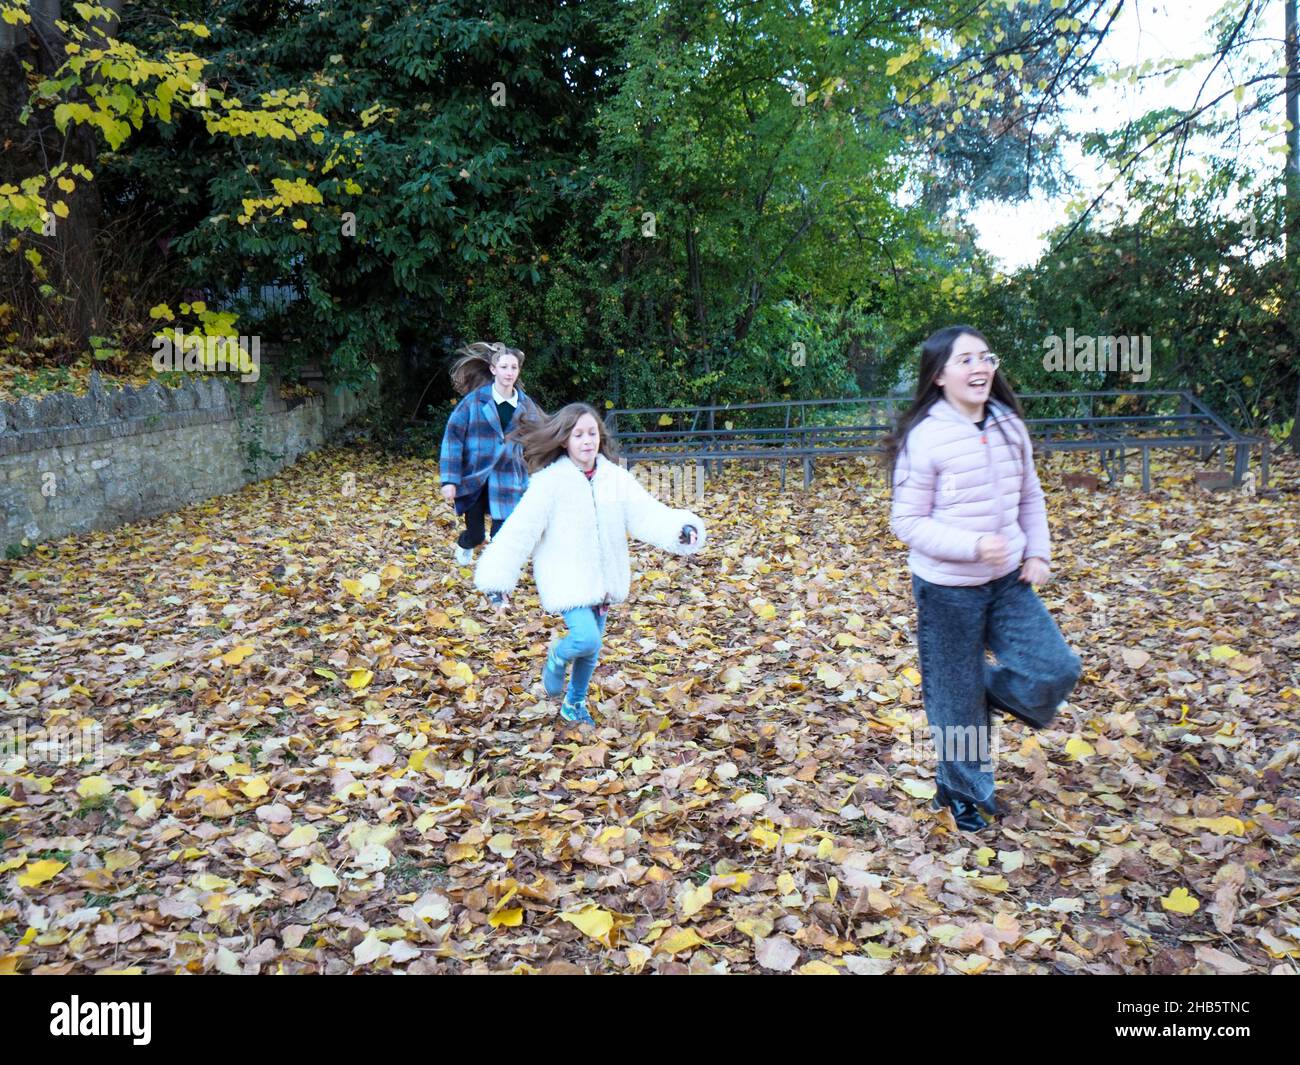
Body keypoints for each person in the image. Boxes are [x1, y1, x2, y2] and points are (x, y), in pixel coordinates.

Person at [884, 325, 1082, 832]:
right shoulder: (925, 437)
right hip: (947, 589)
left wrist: (1037, 551)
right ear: (940, 376)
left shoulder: (1009, 425)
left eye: (986, 357)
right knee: (955, 707)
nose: (980, 367)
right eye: (965, 359)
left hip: (1009, 581)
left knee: (1055, 669)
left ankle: (985, 690)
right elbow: (905, 522)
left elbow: (1030, 496)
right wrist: (971, 545)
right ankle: (962, 795)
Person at [474, 404, 707, 728]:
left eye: (592, 433)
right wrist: (496, 581)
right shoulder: (550, 483)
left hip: (605, 577)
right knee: (586, 639)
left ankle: (574, 704)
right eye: (578, 434)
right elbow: (519, 531)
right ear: (564, 440)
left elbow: (645, 513)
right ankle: (556, 656)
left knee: (590, 650)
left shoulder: (614, 477)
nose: (586, 441)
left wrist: (678, 529)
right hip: (567, 576)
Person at [438, 341, 540, 566]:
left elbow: (542, 436)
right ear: (493, 369)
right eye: (504, 367)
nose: (509, 372)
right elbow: (453, 439)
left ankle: (495, 575)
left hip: (508, 479)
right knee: (477, 535)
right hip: (475, 478)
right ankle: (465, 543)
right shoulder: (474, 401)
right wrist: (449, 480)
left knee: (501, 536)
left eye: (514, 368)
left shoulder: (525, 405)